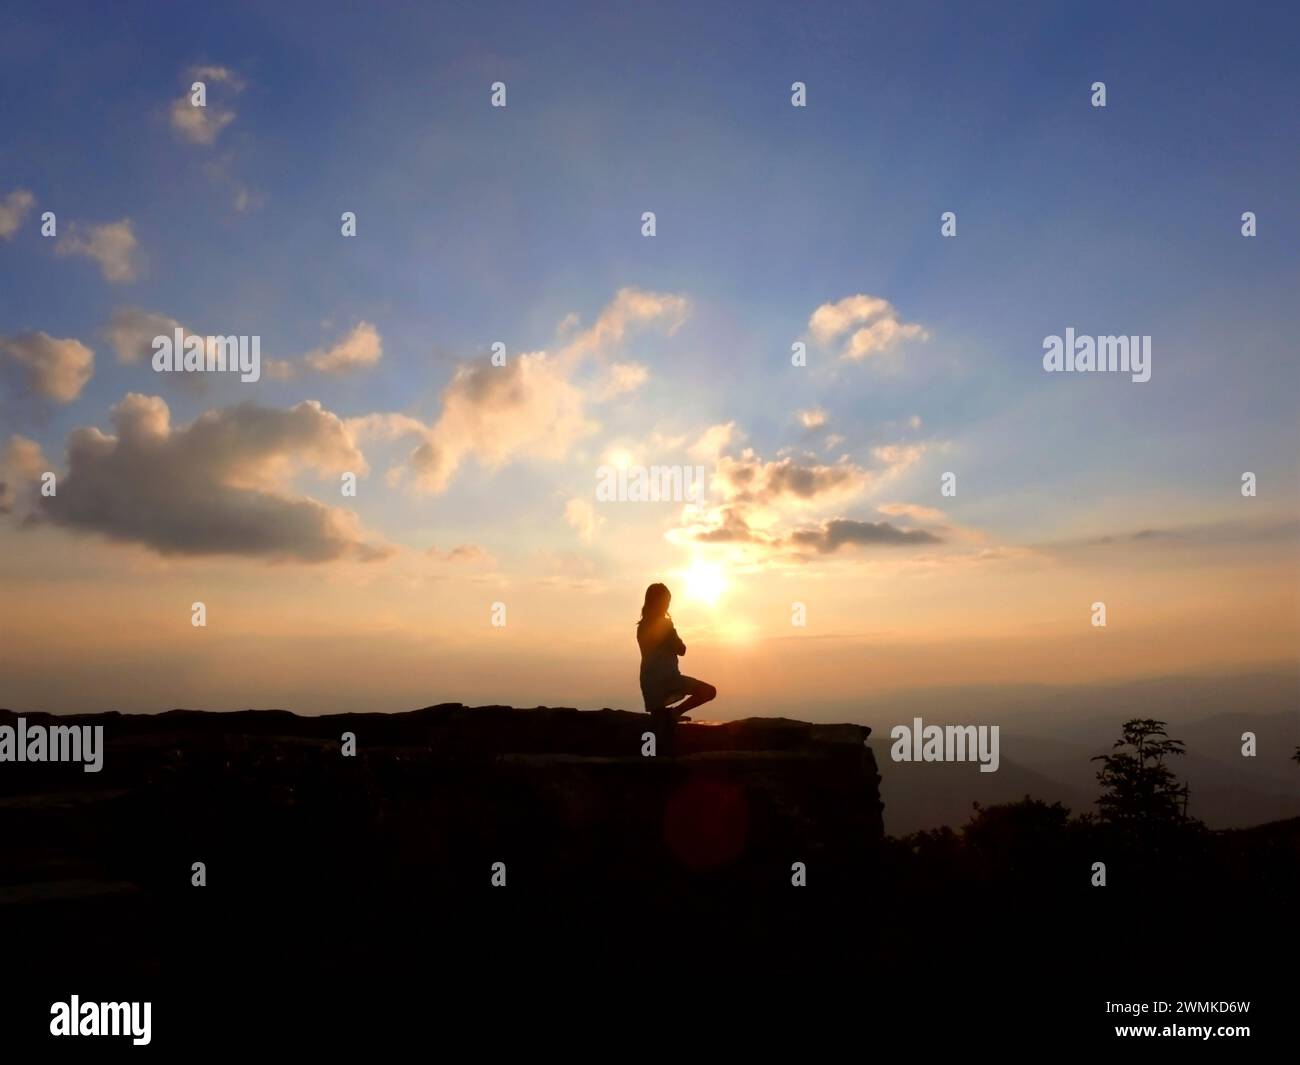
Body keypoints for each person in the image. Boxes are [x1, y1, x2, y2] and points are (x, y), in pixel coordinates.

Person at [637, 582, 716, 721]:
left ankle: (668, 716)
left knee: (658, 717)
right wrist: (671, 630)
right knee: (709, 691)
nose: (667, 605)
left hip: (649, 683)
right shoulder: (664, 624)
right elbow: (681, 649)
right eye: (666, 602)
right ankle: (675, 713)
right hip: (668, 679)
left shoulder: (641, 626)